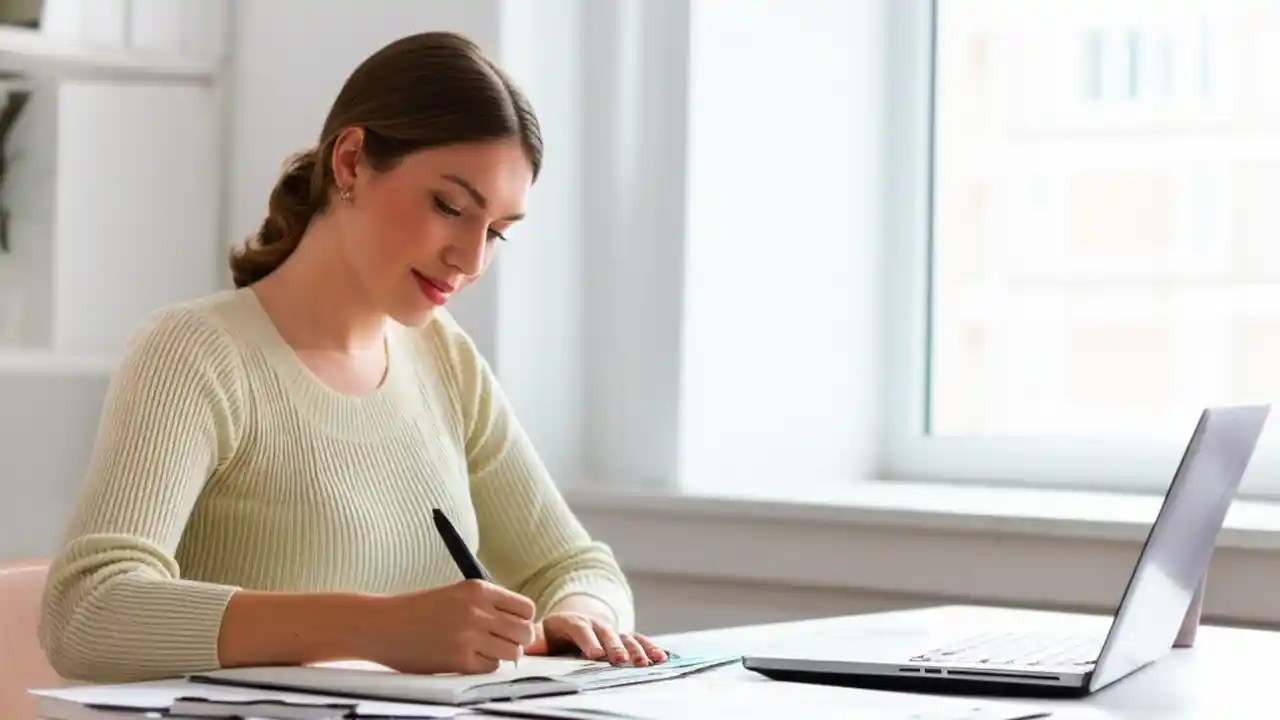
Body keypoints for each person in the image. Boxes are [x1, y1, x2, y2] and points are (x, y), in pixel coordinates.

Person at [39, 31, 664, 683]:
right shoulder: (196, 354)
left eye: (498, 231)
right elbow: (86, 612)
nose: (473, 260)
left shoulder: (444, 360)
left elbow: (577, 566)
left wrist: (581, 616)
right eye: (450, 207)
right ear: (350, 161)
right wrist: (380, 627)